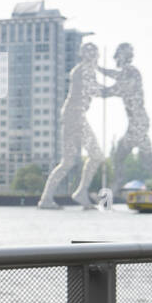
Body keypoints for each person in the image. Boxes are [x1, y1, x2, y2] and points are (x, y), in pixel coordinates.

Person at [39, 43, 105, 208]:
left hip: (74, 116)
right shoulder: (84, 70)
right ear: (83, 55)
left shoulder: (84, 70)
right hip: (74, 117)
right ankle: (77, 193)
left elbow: (95, 89)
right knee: (94, 155)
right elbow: (96, 90)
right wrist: (117, 89)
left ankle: (49, 197)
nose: (93, 57)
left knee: (69, 161)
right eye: (90, 53)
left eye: (95, 53)